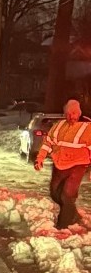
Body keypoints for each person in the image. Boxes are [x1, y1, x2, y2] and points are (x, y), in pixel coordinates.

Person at [35, 97, 91, 229]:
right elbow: (48, 142)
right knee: (55, 193)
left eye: (74, 113)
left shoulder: (87, 128)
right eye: (68, 114)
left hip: (78, 164)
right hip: (59, 164)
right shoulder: (58, 126)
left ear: (79, 113)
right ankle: (73, 214)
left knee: (67, 195)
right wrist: (40, 158)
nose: (71, 116)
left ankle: (63, 225)